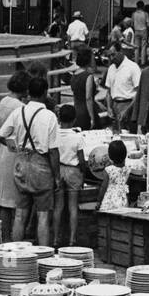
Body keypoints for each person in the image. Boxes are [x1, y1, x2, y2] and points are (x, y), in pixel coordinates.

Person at [0, 74, 59, 246]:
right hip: (41, 166)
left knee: (20, 214)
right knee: (43, 215)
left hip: (20, 163)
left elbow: (1, 135)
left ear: (28, 92)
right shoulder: (49, 116)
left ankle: (17, 253)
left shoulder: (18, 112)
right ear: (45, 92)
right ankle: (43, 256)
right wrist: (56, 177)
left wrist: (14, 147)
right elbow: (53, 151)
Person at [0, 71, 29, 240]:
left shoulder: (4, 101)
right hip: (11, 151)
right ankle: (5, 235)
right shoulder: (20, 107)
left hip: (0, 148)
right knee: (9, 200)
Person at [54, 105, 86, 245]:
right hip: (73, 170)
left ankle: (55, 238)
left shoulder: (54, 134)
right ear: (74, 120)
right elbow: (81, 159)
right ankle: (72, 239)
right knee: (73, 207)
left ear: (59, 119)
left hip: (58, 169)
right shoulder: (77, 136)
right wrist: (83, 173)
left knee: (58, 207)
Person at [103, 44, 141, 132]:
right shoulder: (111, 68)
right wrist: (109, 108)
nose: (111, 58)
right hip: (114, 106)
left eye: (113, 54)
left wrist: (127, 110)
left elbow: (138, 93)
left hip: (129, 105)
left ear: (121, 52)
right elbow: (109, 91)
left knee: (128, 133)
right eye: (109, 56)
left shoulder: (133, 67)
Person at [96, 139, 130, 212]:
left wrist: (99, 201)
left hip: (109, 201)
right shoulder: (127, 170)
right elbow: (126, 186)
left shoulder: (108, 170)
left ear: (110, 156)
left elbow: (103, 187)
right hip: (122, 200)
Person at [69, 46, 97, 130]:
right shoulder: (88, 76)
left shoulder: (74, 75)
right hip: (86, 112)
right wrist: (92, 117)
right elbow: (88, 98)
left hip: (76, 110)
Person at [131, 0, 149, 65]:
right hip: (144, 30)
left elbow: (132, 23)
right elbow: (148, 24)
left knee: (136, 47)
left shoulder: (134, 14)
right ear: (143, 6)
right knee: (144, 47)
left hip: (136, 30)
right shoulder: (145, 14)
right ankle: (143, 62)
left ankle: (136, 62)